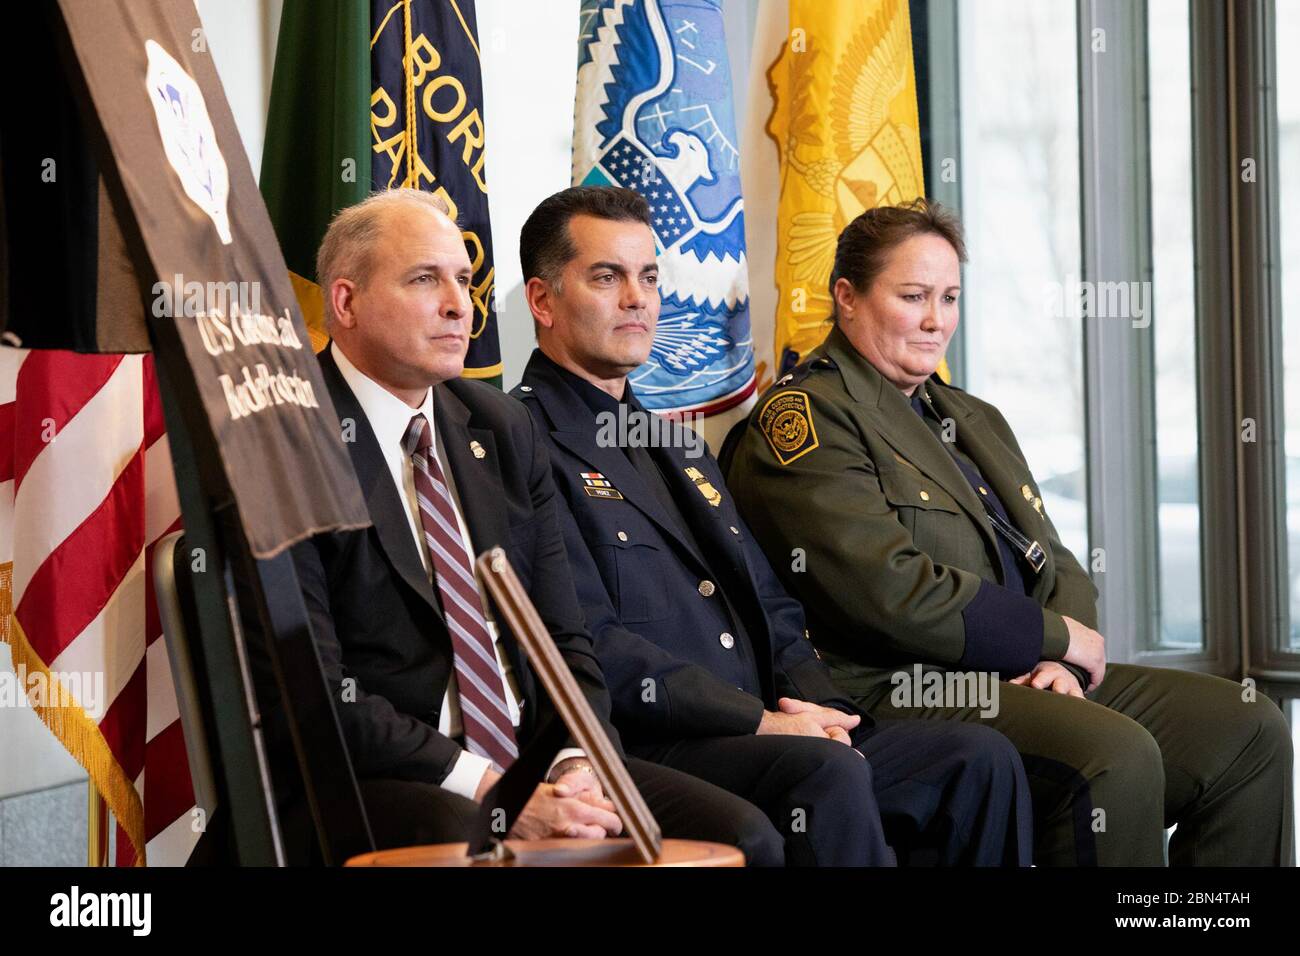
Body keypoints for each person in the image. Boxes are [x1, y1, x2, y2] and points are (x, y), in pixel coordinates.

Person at [723, 197, 1295, 866]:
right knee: (1114, 755)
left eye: (949, 296)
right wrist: (1051, 637)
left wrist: (1061, 662)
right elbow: (888, 592)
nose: (936, 320)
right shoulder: (806, 420)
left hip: (1022, 671)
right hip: (900, 686)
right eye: (912, 296)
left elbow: (1055, 560)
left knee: (1249, 729)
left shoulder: (971, 416)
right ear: (847, 297)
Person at [249, 188, 786, 865]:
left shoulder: (499, 428)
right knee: (493, 846)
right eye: (424, 279)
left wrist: (575, 764)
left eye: (464, 280)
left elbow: (566, 640)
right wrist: (497, 789)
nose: (458, 305)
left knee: (745, 838)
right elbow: (316, 697)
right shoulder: (288, 443)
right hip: (382, 776)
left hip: (531, 762)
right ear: (346, 303)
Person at [509, 185, 1034, 865]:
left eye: (648, 277)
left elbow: (772, 604)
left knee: (977, 758)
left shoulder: (678, 442)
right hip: (657, 740)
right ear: (543, 301)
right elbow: (590, 645)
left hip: (768, 725)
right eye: (606, 278)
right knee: (825, 776)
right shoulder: (519, 439)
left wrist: (823, 712)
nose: (638, 299)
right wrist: (765, 721)